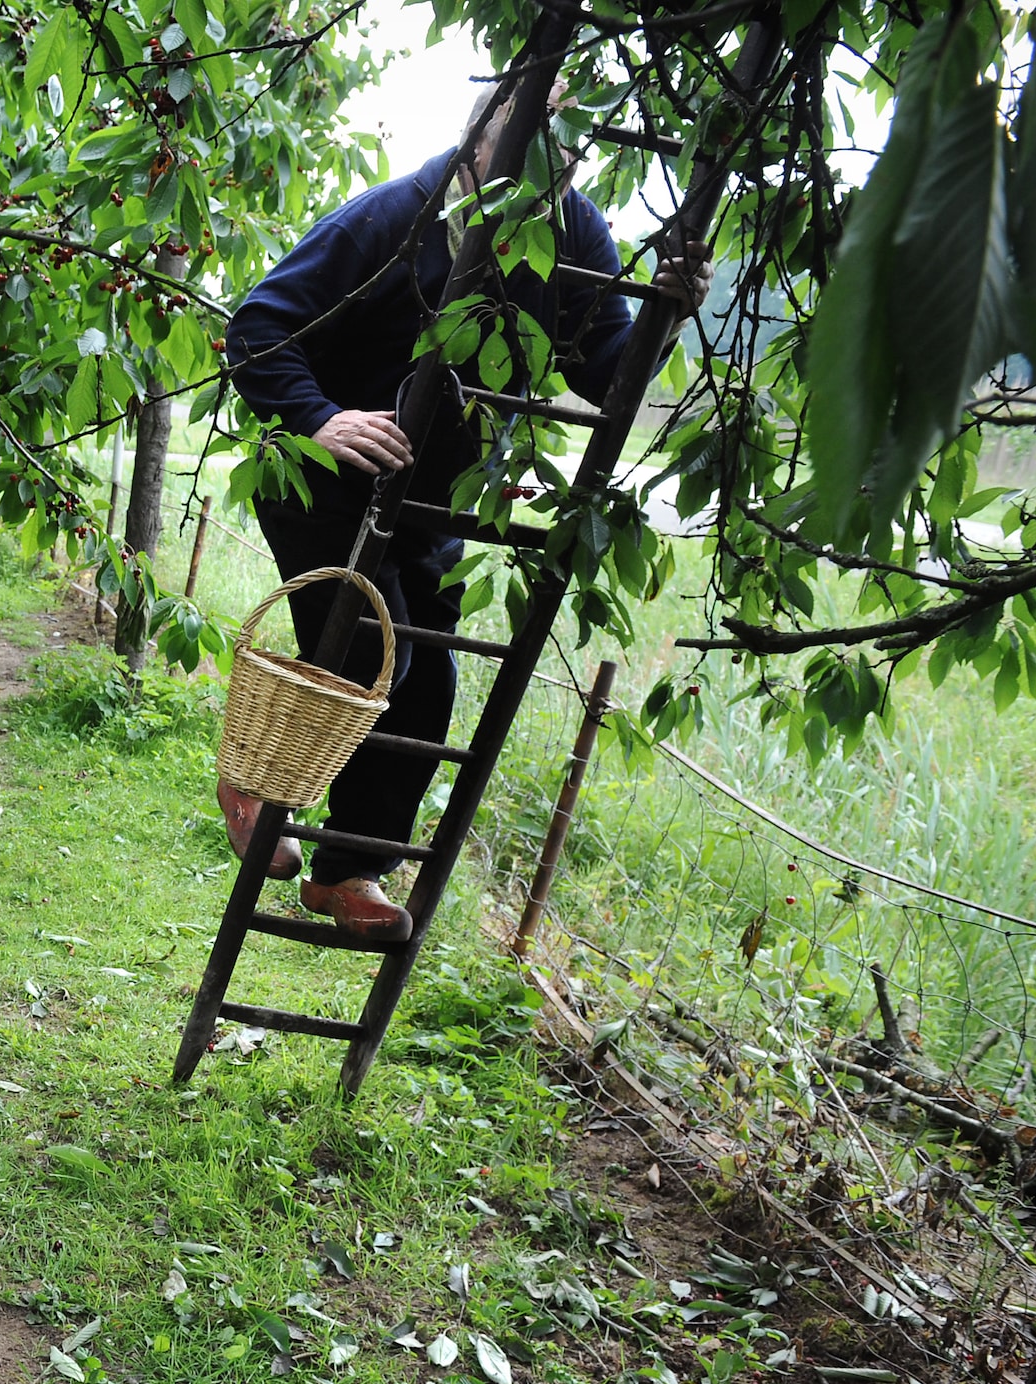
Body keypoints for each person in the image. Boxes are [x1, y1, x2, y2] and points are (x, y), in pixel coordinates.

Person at [217, 94, 710, 940]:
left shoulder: (575, 235)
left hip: (438, 507)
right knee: (371, 648)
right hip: (325, 483)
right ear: (478, 139)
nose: (547, 168)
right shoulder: (393, 219)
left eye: (566, 153)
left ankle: (346, 871)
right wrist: (318, 418)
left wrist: (667, 316)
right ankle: (255, 776)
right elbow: (259, 325)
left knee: (429, 680)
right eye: (525, 139)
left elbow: (604, 373)